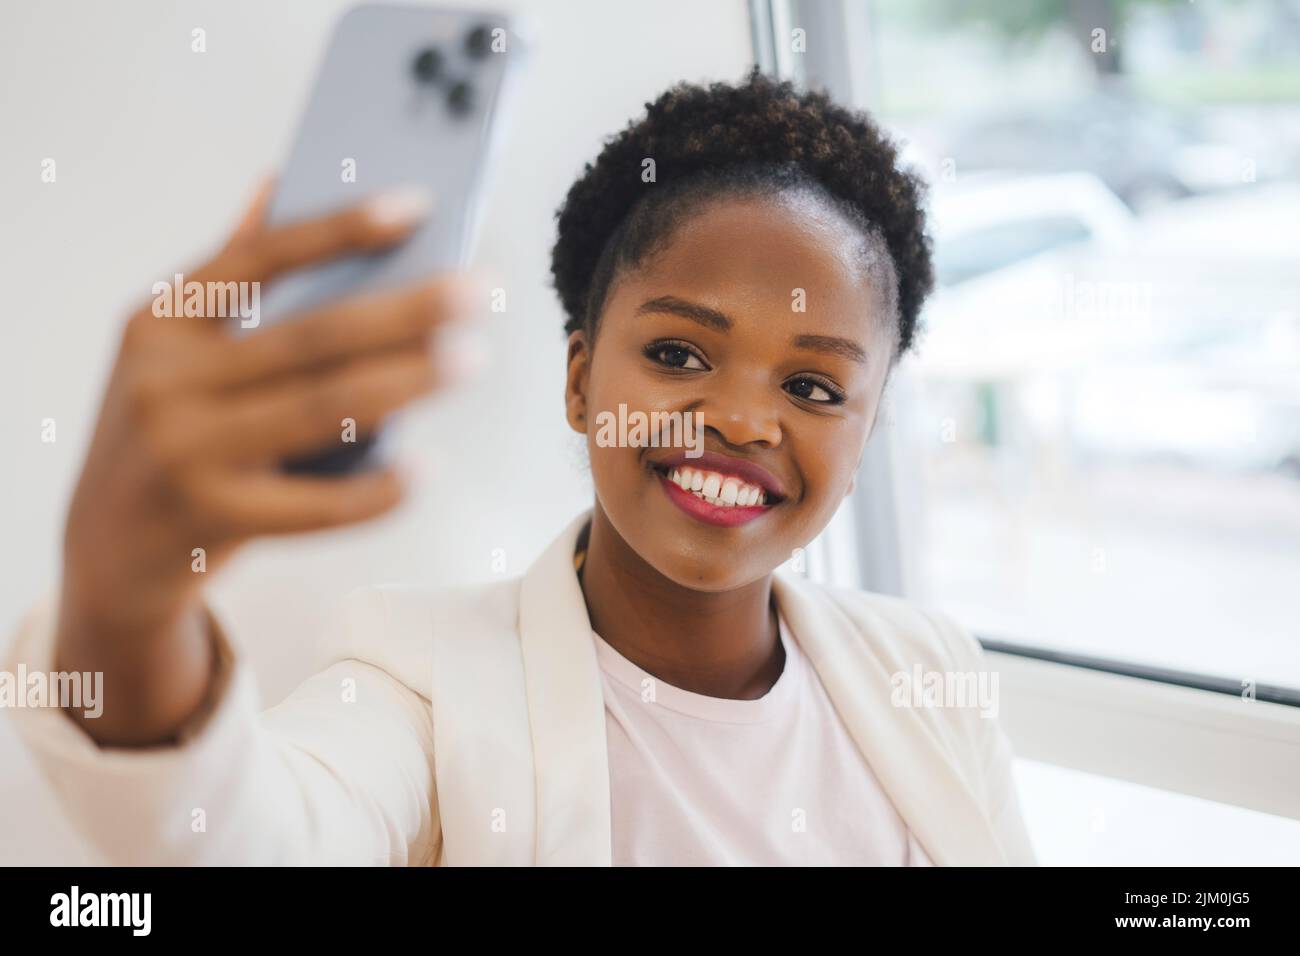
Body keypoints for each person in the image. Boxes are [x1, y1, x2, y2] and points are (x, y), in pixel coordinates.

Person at [5, 69, 1036, 866]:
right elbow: (247, 834)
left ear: (864, 436)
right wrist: (122, 606)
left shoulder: (927, 668)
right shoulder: (419, 672)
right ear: (581, 381)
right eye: (678, 354)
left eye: (812, 389)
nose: (738, 419)